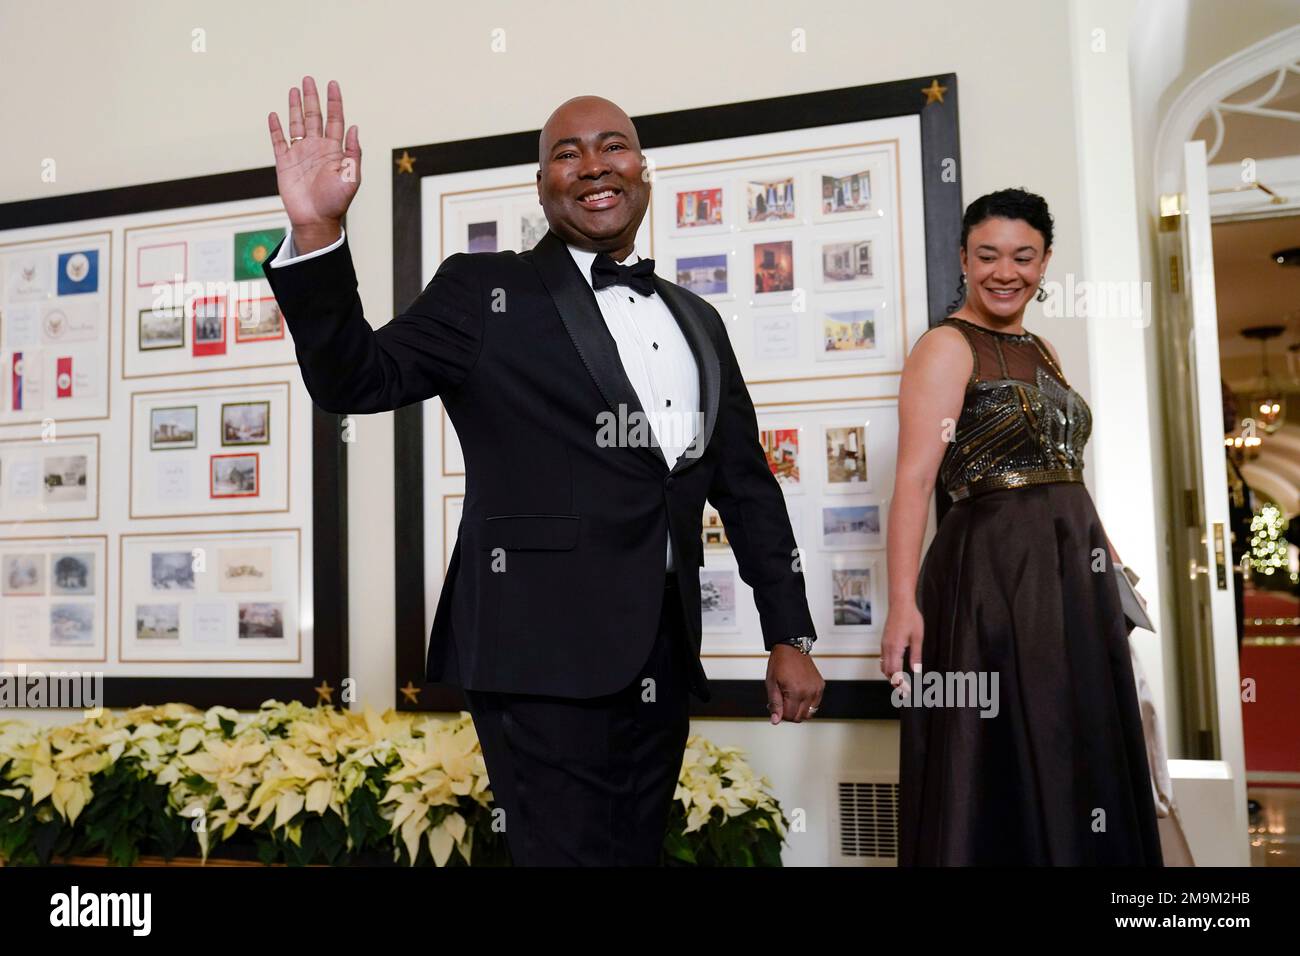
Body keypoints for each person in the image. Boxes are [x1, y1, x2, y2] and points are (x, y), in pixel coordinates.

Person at [259, 77, 824, 865]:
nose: (594, 166)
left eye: (612, 146)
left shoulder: (698, 319)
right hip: (537, 649)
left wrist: (788, 632)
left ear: (643, 171)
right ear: (542, 185)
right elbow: (357, 380)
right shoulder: (482, 291)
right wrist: (317, 233)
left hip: (659, 651)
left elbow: (746, 485)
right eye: (568, 153)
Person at [882, 187, 1163, 865]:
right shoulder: (946, 347)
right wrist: (900, 604)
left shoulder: (1040, 346)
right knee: (1004, 743)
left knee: (1074, 737)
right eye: (987, 256)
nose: (1005, 272)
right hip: (994, 573)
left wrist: (1112, 564)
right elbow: (916, 479)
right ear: (963, 258)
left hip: (1072, 572)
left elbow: (1064, 470)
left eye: (1023, 257)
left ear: (1045, 262)